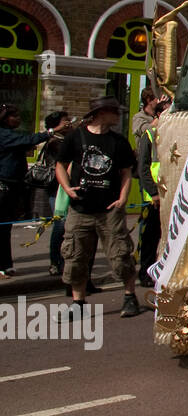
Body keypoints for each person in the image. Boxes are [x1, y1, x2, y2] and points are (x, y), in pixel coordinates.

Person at [56, 96, 140, 315]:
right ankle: (78, 304)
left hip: (109, 210)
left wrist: (122, 198)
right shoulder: (75, 137)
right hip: (80, 209)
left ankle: (130, 297)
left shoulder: (119, 142)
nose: (119, 115)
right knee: (75, 257)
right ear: (102, 113)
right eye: (115, 111)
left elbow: (126, 173)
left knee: (120, 256)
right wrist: (66, 188)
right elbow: (60, 165)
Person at [0, 105, 70, 277]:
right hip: (3, 186)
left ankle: (5, 264)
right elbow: (29, 139)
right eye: (13, 115)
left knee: (5, 227)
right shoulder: (3, 134)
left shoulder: (9, 135)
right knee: (2, 227)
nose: (18, 119)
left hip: (14, 186)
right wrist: (52, 131)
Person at [36, 110, 72, 275]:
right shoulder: (55, 142)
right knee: (60, 225)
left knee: (67, 226)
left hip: (67, 188)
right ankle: (55, 262)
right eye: (65, 121)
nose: (69, 123)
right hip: (56, 189)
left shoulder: (66, 140)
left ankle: (65, 261)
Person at [136, 98, 164, 285]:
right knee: (150, 236)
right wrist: (153, 192)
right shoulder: (150, 134)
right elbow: (143, 167)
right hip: (153, 194)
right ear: (158, 115)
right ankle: (145, 272)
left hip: (168, 192)